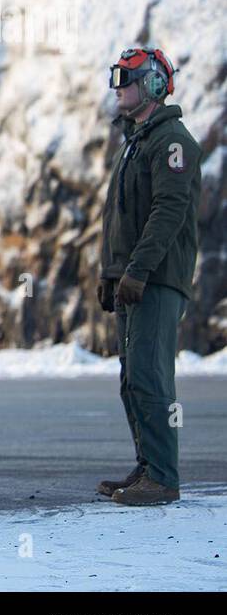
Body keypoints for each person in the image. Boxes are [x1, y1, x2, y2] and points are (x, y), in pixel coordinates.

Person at [97, 47, 201, 506]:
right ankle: (147, 467)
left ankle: (163, 476)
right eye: (117, 77)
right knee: (131, 378)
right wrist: (111, 271)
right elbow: (118, 216)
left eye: (129, 78)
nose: (119, 87)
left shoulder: (172, 142)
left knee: (151, 375)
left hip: (156, 280)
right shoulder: (138, 141)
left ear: (155, 85)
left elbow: (168, 212)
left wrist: (137, 271)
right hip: (133, 278)